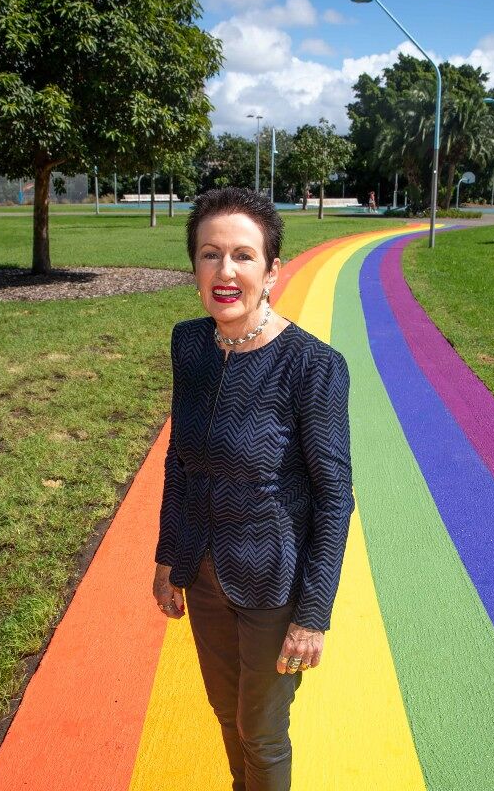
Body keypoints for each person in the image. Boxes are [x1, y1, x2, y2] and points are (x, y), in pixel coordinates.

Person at [153, 187, 354, 791]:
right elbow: (179, 463)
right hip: (205, 573)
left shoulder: (313, 366)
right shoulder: (189, 345)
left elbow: (334, 495)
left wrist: (313, 615)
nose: (225, 270)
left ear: (271, 270)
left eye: (243, 255)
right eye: (210, 254)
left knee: (261, 731)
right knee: (225, 714)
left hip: (274, 584)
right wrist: (169, 558)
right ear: (194, 266)